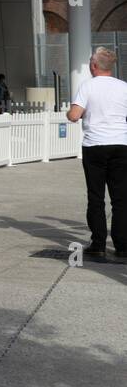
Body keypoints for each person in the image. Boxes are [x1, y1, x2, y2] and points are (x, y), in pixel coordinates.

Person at [66, 47, 127, 260]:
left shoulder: (88, 86)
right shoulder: (124, 87)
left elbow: (74, 115)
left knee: (96, 197)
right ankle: (122, 245)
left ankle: (98, 243)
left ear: (94, 66)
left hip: (95, 146)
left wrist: (71, 112)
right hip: (121, 145)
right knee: (121, 198)